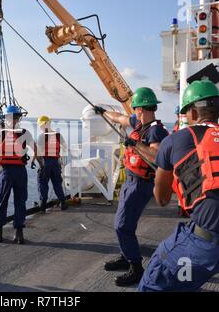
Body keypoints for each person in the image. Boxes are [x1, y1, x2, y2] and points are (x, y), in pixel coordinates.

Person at [139, 80, 219, 292]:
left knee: (153, 281)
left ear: (192, 113)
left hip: (207, 243)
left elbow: (162, 198)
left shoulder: (175, 140)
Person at [94, 87, 169, 286]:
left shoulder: (156, 131)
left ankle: (136, 267)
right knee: (125, 223)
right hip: (130, 179)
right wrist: (103, 112)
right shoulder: (138, 122)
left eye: (135, 108)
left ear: (140, 109)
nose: (133, 112)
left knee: (121, 225)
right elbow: (119, 118)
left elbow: (157, 157)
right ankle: (126, 255)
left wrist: (134, 144)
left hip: (141, 184)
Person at [0, 106, 40, 244]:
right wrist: (33, 160)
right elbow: (35, 148)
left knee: (2, 201)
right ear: (18, 118)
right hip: (20, 171)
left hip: (6, 171)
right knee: (20, 201)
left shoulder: (0, 133)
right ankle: (18, 233)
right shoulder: (25, 133)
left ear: (6, 118)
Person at [36, 116, 67, 213]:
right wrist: (60, 157)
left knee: (42, 183)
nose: (40, 127)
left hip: (46, 162)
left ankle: (43, 205)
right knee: (57, 183)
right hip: (55, 162)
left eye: (40, 125)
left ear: (44, 124)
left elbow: (39, 152)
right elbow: (65, 146)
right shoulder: (58, 135)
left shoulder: (42, 136)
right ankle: (63, 202)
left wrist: (40, 165)